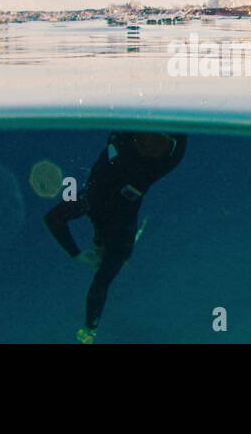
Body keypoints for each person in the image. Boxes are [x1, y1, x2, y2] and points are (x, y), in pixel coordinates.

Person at [44, 131, 187, 343]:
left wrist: (76, 254)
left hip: (137, 167)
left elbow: (53, 219)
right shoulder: (100, 212)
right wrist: (88, 329)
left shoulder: (93, 203)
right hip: (140, 163)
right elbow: (54, 219)